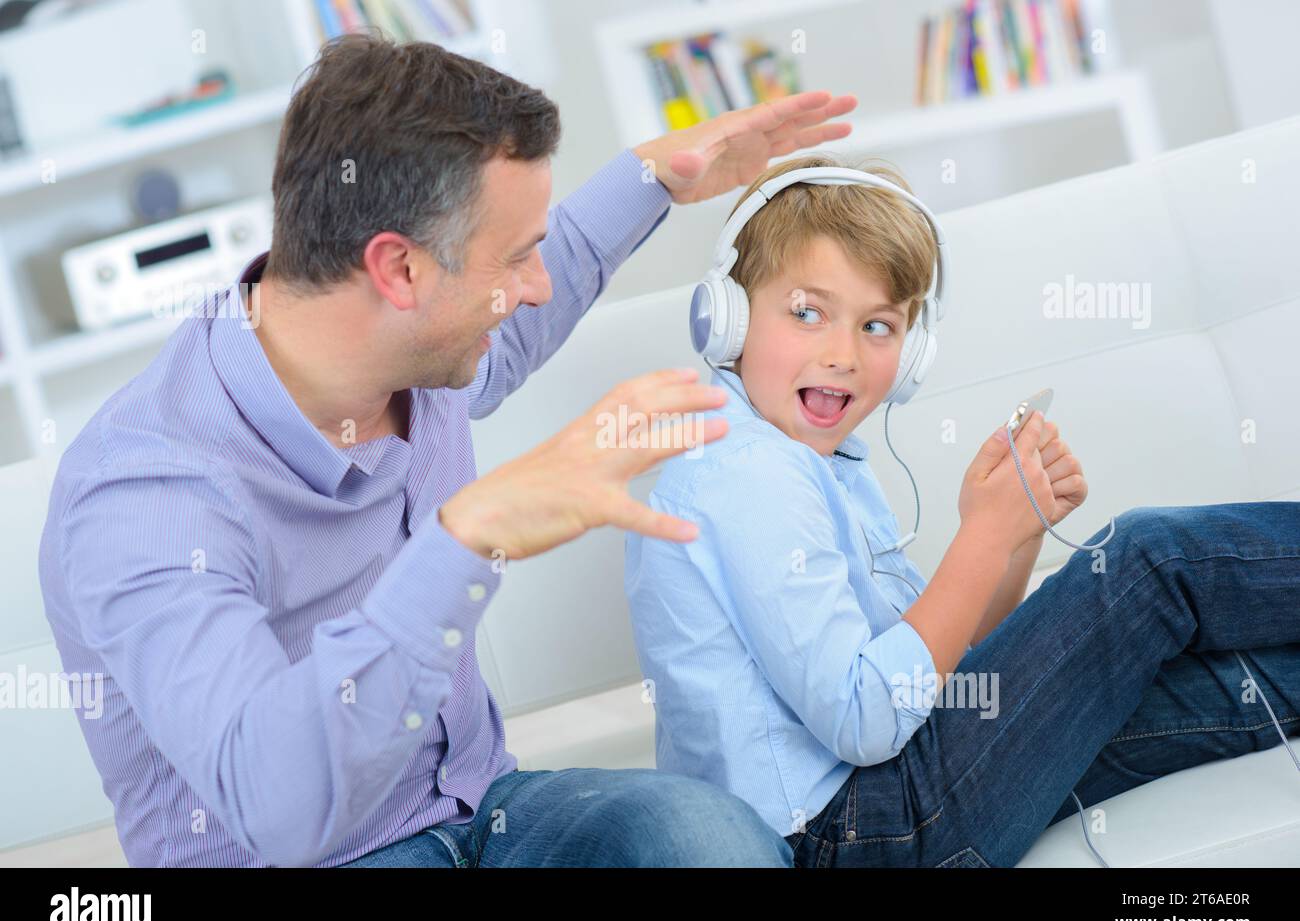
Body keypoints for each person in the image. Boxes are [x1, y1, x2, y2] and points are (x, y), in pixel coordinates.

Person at [37, 33, 861, 868]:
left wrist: (651, 176)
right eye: (516, 255)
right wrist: (467, 537)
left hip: (482, 810)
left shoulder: (413, 353)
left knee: (709, 840)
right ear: (398, 269)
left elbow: (520, 317)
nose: (537, 281)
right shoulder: (147, 491)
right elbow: (277, 805)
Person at [623, 154, 1300, 867]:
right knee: (1145, 561)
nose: (842, 353)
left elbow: (938, 673)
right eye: (807, 312)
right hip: (850, 835)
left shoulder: (818, 461)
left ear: (911, 348)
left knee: (1222, 684)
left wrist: (1013, 540)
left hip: (890, 806)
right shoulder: (744, 473)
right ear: (726, 317)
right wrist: (982, 536)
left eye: (878, 326)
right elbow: (867, 718)